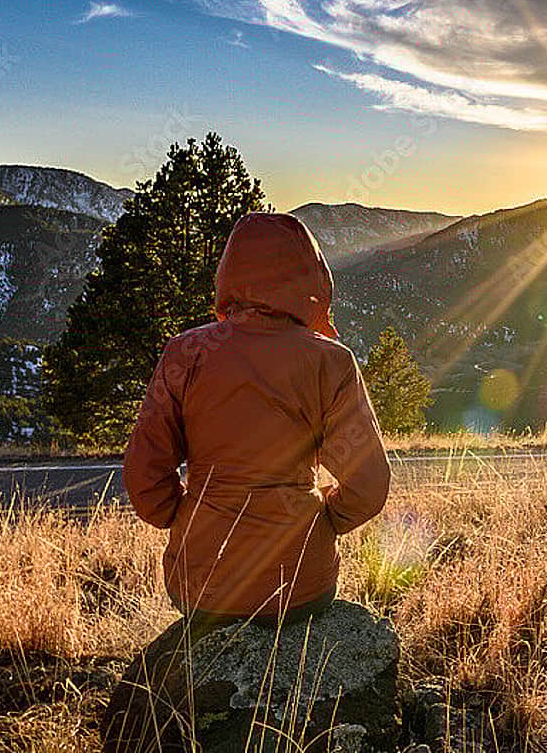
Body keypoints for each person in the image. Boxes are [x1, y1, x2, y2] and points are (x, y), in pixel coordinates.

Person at [122, 211, 391, 633]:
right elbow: (369, 485)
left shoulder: (186, 353)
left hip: (201, 588)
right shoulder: (331, 362)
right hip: (300, 588)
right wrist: (321, 521)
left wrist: (188, 518)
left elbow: (144, 476)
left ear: (229, 275)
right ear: (314, 279)